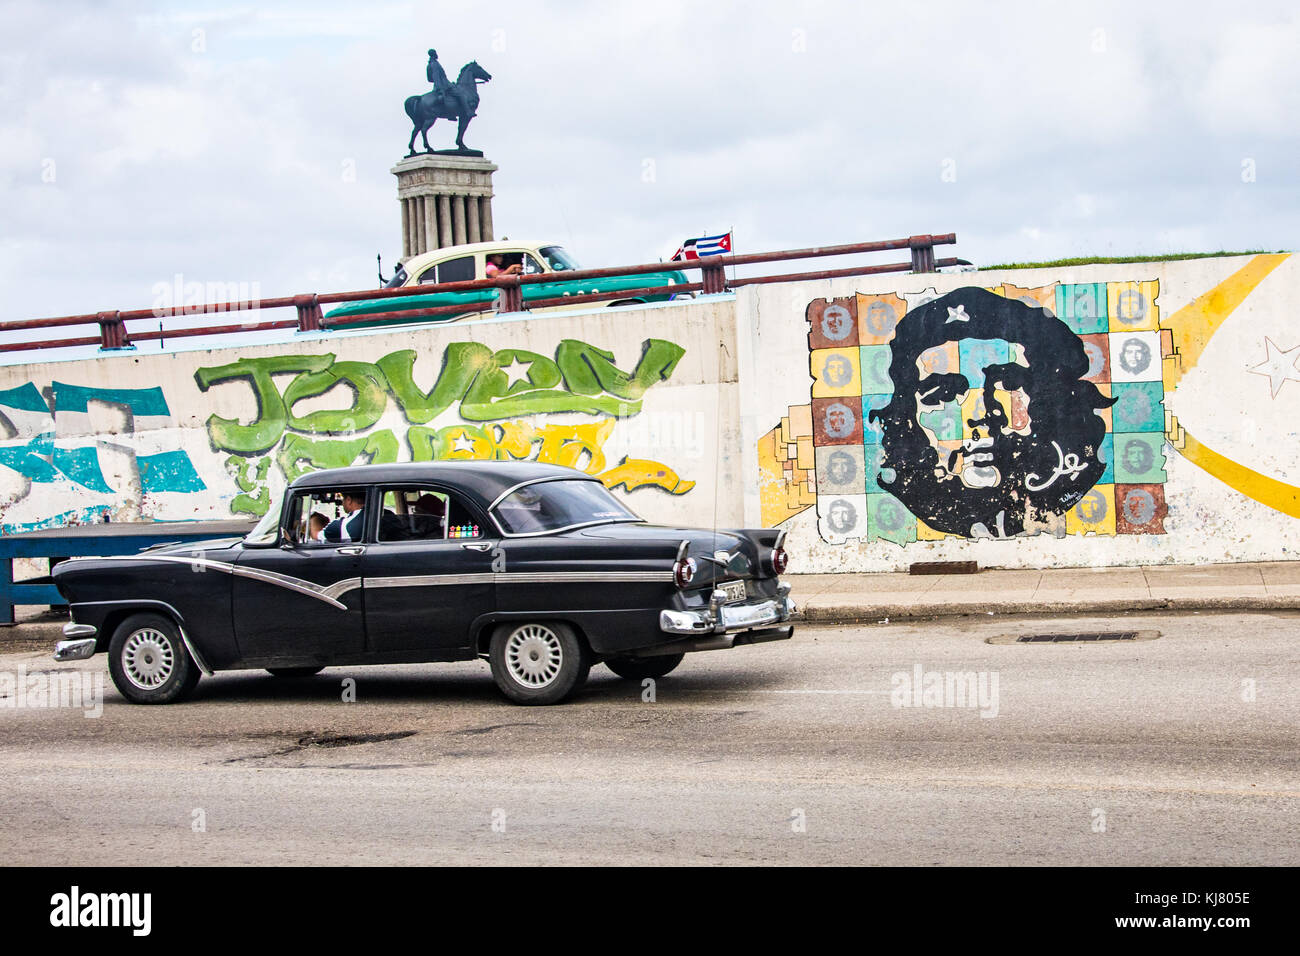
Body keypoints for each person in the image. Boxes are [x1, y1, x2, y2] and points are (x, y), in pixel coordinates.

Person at [868, 287, 1116, 539]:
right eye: (941, 395)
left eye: (1009, 387)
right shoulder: (921, 497)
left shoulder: (1068, 479)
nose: (978, 418)